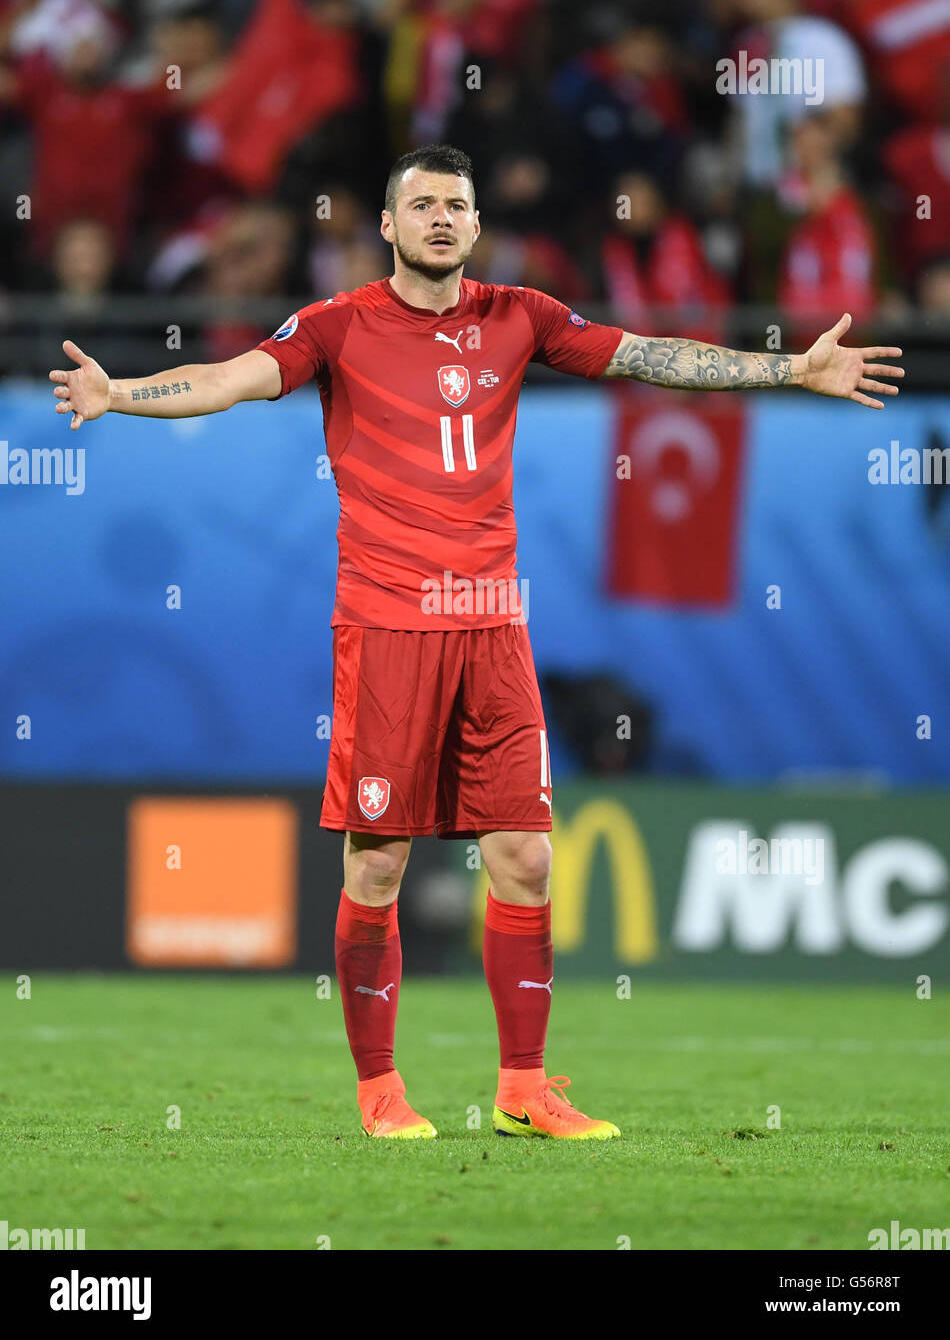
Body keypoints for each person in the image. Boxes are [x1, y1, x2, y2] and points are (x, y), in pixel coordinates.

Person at [50, 145, 904, 1140]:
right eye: (421, 204)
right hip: (388, 627)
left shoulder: (521, 316)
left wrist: (789, 368)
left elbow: (647, 354)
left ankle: (523, 1088)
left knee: (527, 860)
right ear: (387, 225)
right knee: (376, 868)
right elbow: (231, 378)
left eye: (457, 204)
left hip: (492, 626)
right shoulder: (336, 325)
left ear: (476, 225)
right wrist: (123, 393)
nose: (442, 219)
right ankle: (379, 1092)